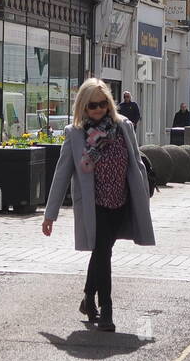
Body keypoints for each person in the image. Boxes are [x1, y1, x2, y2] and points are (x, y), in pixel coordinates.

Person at [43, 79, 155, 332]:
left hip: (121, 203)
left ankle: (87, 297)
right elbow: (61, 175)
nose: (98, 109)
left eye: (103, 104)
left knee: (102, 252)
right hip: (95, 206)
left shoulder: (123, 127)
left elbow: (136, 163)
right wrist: (50, 215)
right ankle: (107, 310)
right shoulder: (75, 135)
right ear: (83, 106)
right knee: (103, 252)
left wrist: (142, 198)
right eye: (93, 105)